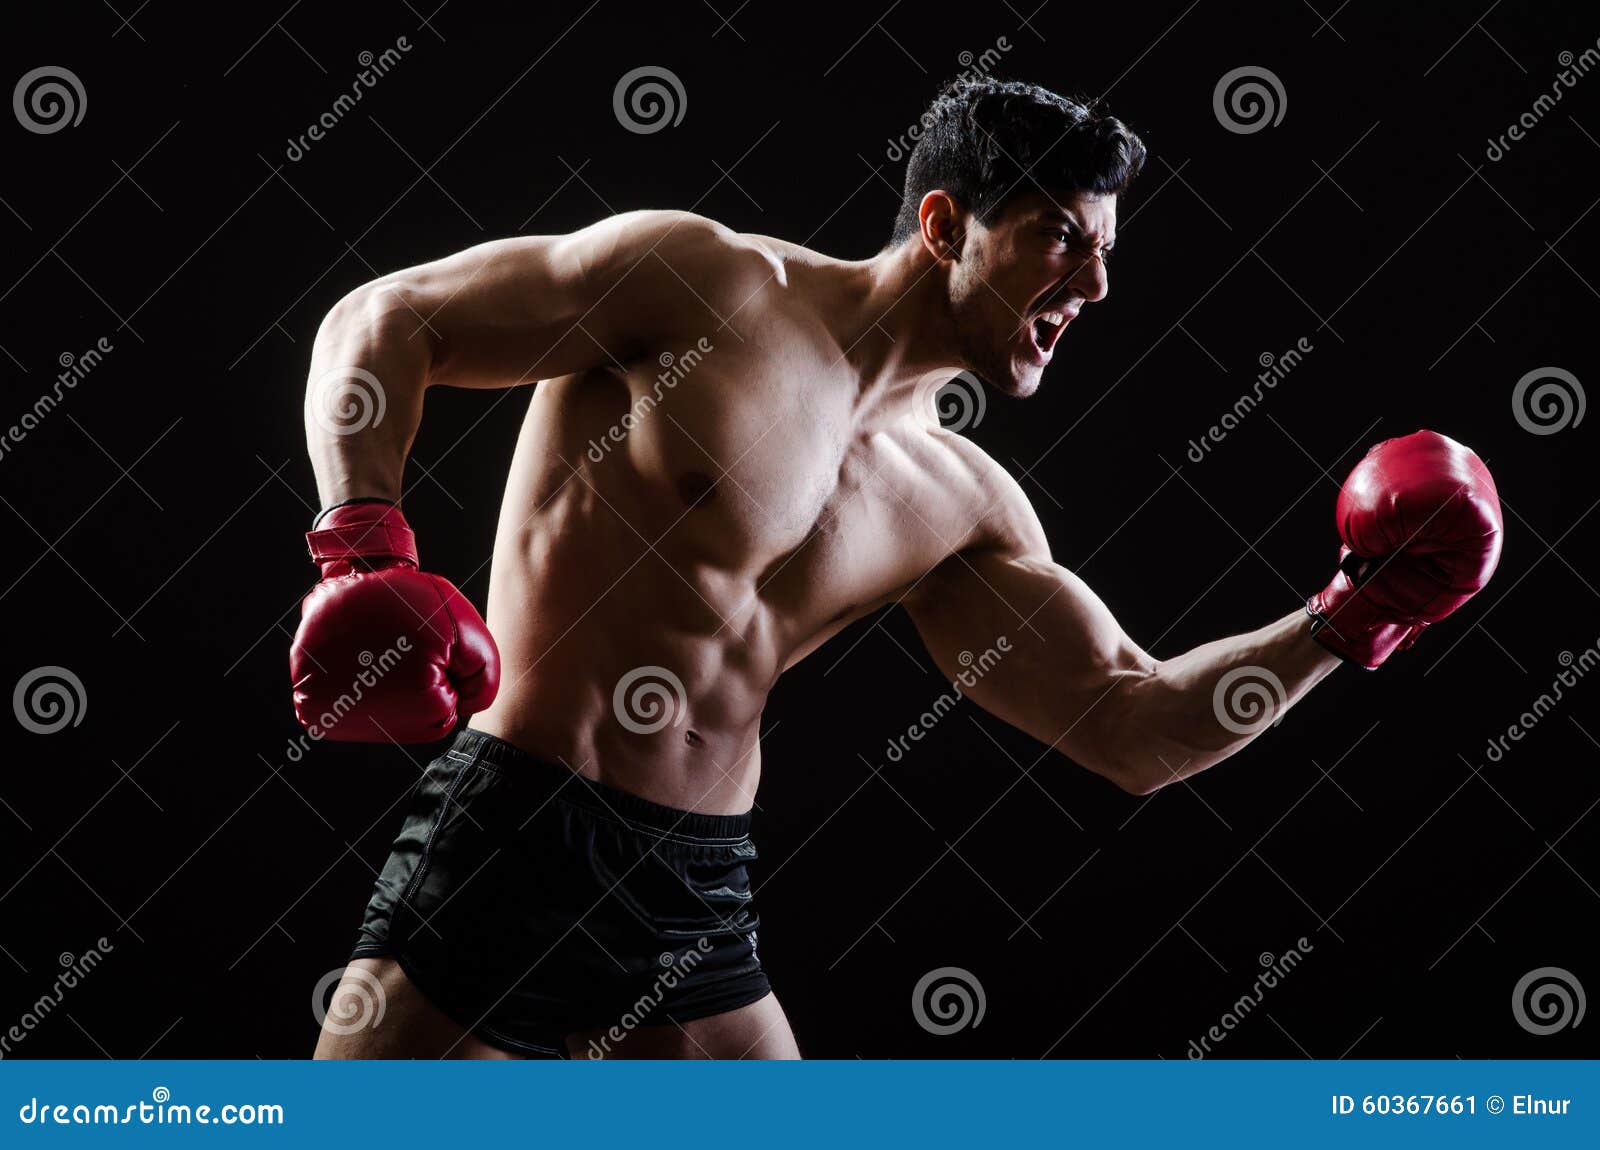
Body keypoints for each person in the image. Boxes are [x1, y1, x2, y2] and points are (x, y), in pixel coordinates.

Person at [292, 78, 1502, 1059]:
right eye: (1057, 238)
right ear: (941, 225)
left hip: (693, 892)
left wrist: (1352, 614)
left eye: (1103, 252)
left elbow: (1131, 726)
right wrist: (361, 546)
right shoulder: (703, 284)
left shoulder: (961, 503)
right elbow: (387, 318)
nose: (1091, 284)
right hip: (517, 835)